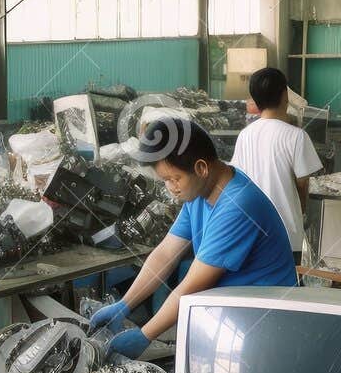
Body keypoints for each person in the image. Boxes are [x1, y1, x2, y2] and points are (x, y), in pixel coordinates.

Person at [89, 117, 296, 359]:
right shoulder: (199, 193)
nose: (170, 187)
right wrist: (124, 305)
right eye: (165, 180)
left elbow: (192, 284)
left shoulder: (238, 204)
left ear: (201, 168)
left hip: (267, 322)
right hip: (236, 314)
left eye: (174, 178)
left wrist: (145, 335)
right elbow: (166, 253)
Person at [231, 66, 323, 260]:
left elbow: (238, 180)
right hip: (286, 235)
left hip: (250, 233)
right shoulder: (297, 136)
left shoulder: (245, 135)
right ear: (285, 95)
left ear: (256, 101)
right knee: (286, 288)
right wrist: (302, 211)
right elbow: (303, 184)